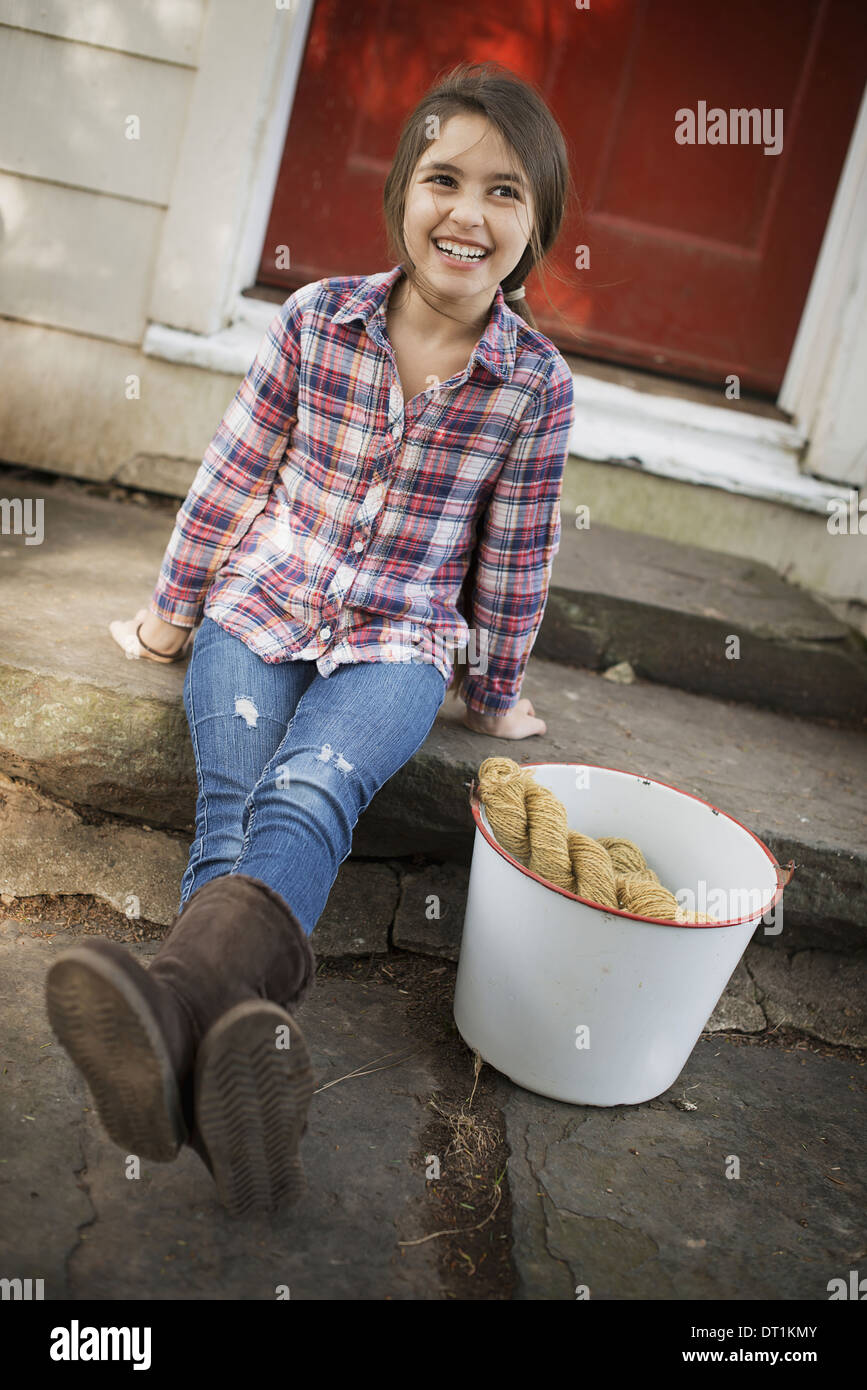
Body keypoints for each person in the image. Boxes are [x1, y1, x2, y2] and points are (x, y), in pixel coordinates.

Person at [45, 61, 576, 1217]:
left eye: (504, 193)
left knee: (312, 788)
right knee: (236, 797)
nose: (467, 213)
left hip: (401, 638)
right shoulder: (317, 320)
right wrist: (169, 612)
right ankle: (240, 1070)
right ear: (400, 193)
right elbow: (233, 474)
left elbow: (517, 553)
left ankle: (173, 1017)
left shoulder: (536, 385)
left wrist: (494, 689)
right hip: (263, 604)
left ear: (536, 230)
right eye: (443, 177)